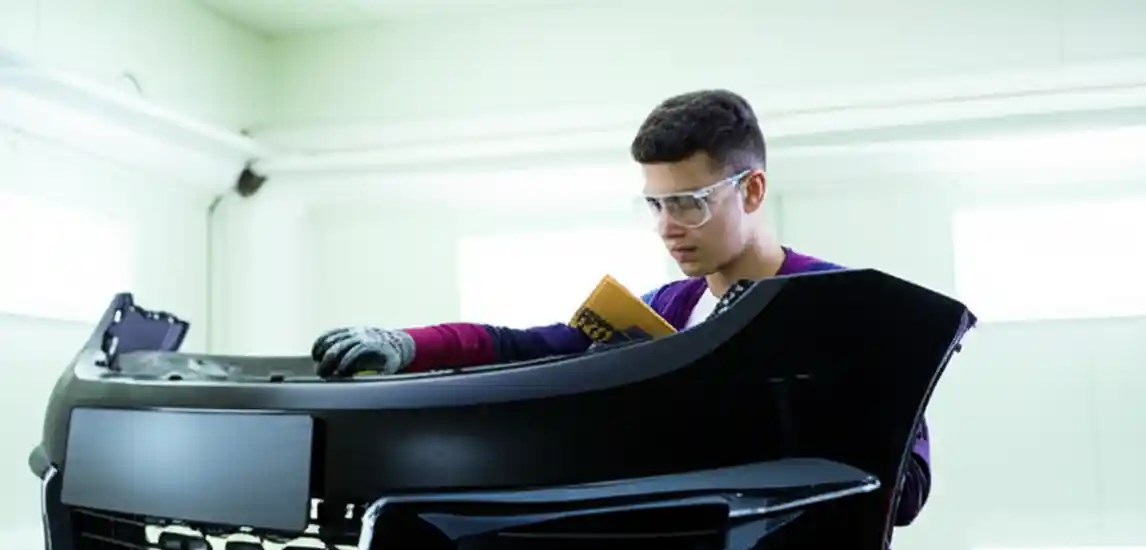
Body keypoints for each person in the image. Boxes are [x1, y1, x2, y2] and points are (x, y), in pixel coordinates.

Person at [310, 89, 933, 526]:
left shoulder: (849, 305)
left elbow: (906, 494)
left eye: (688, 202)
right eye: (655, 205)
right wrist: (412, 345)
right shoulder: (668, 308)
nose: (668, 227)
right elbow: (531, 346)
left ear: (752, 189)